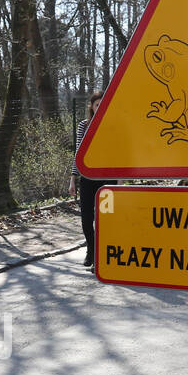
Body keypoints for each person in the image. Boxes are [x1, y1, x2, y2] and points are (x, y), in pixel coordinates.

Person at [69, 89, 107, 268]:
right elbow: (78, 153)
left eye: (102, 104)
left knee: (106, 217)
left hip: (108, 182)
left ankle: (102, 255)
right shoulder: (83, 125)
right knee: (86, 219)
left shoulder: (112, 125)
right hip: (87, 179)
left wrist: (121, 181)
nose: (99, 107)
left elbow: (121, 154)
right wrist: (72, 179)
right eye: (97, 104)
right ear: (91, 107)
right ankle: (91, 250)